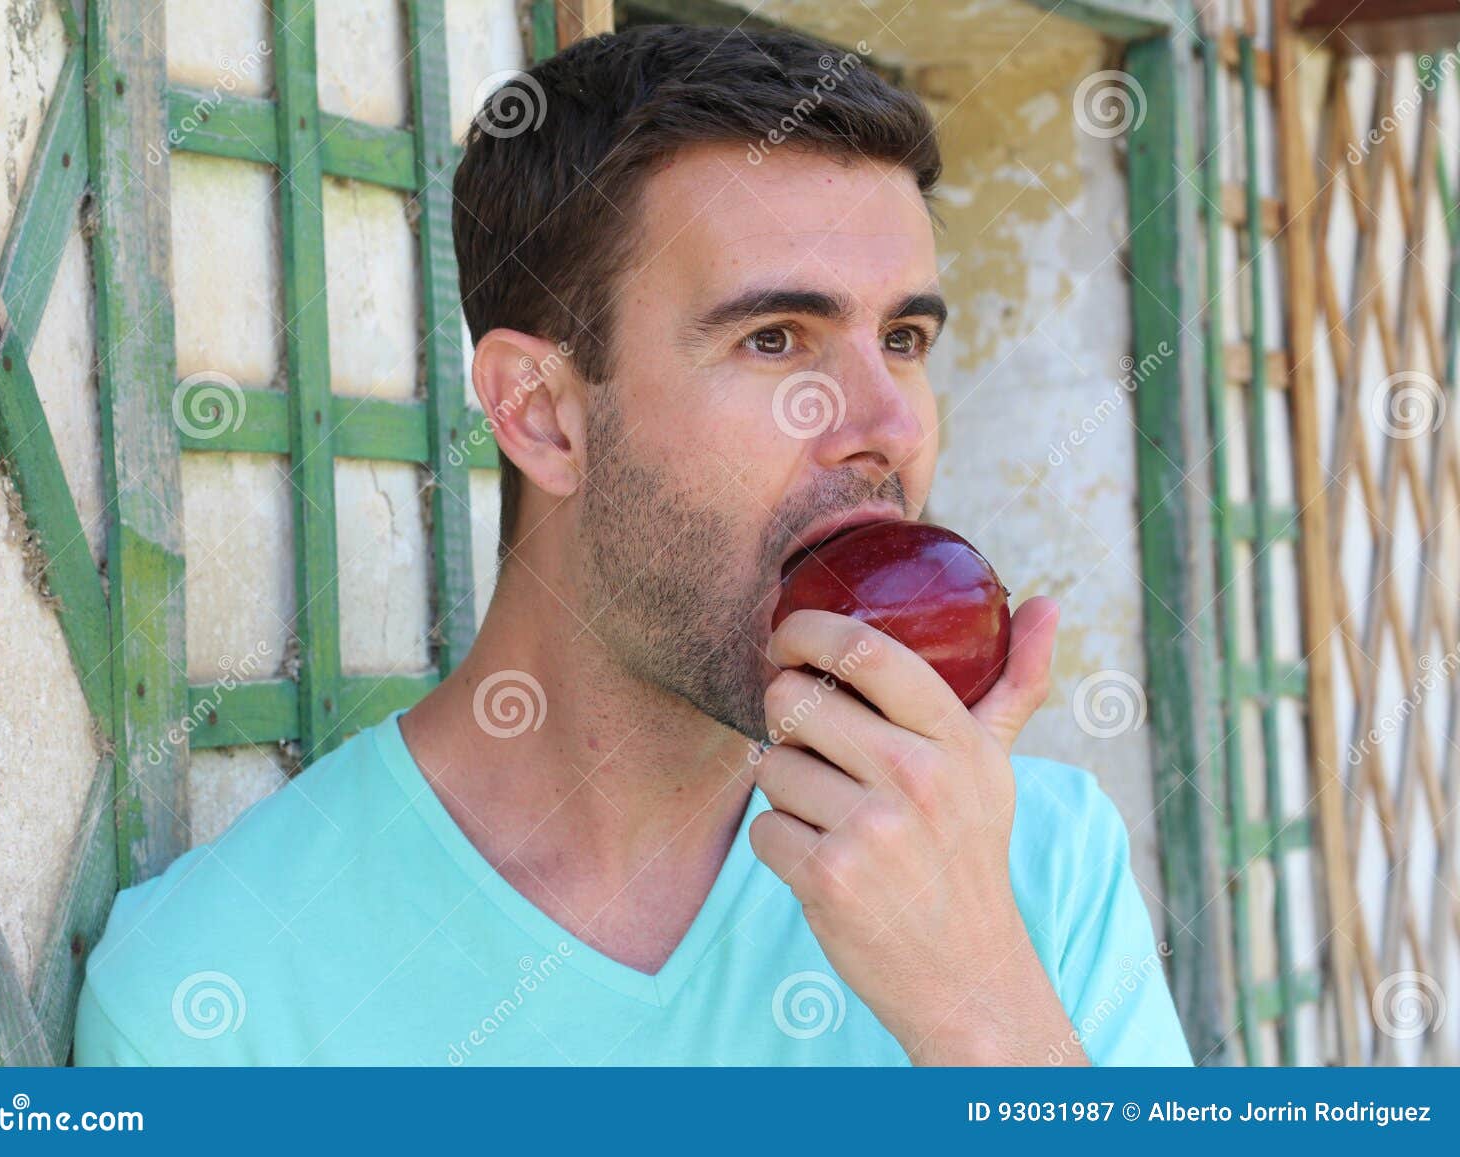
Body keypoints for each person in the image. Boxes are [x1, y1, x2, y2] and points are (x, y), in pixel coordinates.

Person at [73, 22, 1193, 1066]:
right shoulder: (218, 990)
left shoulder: (1034, 864)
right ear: (542, 412)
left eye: (902, 337)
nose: (887, 425)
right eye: (774, 338)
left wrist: (977, 1002)